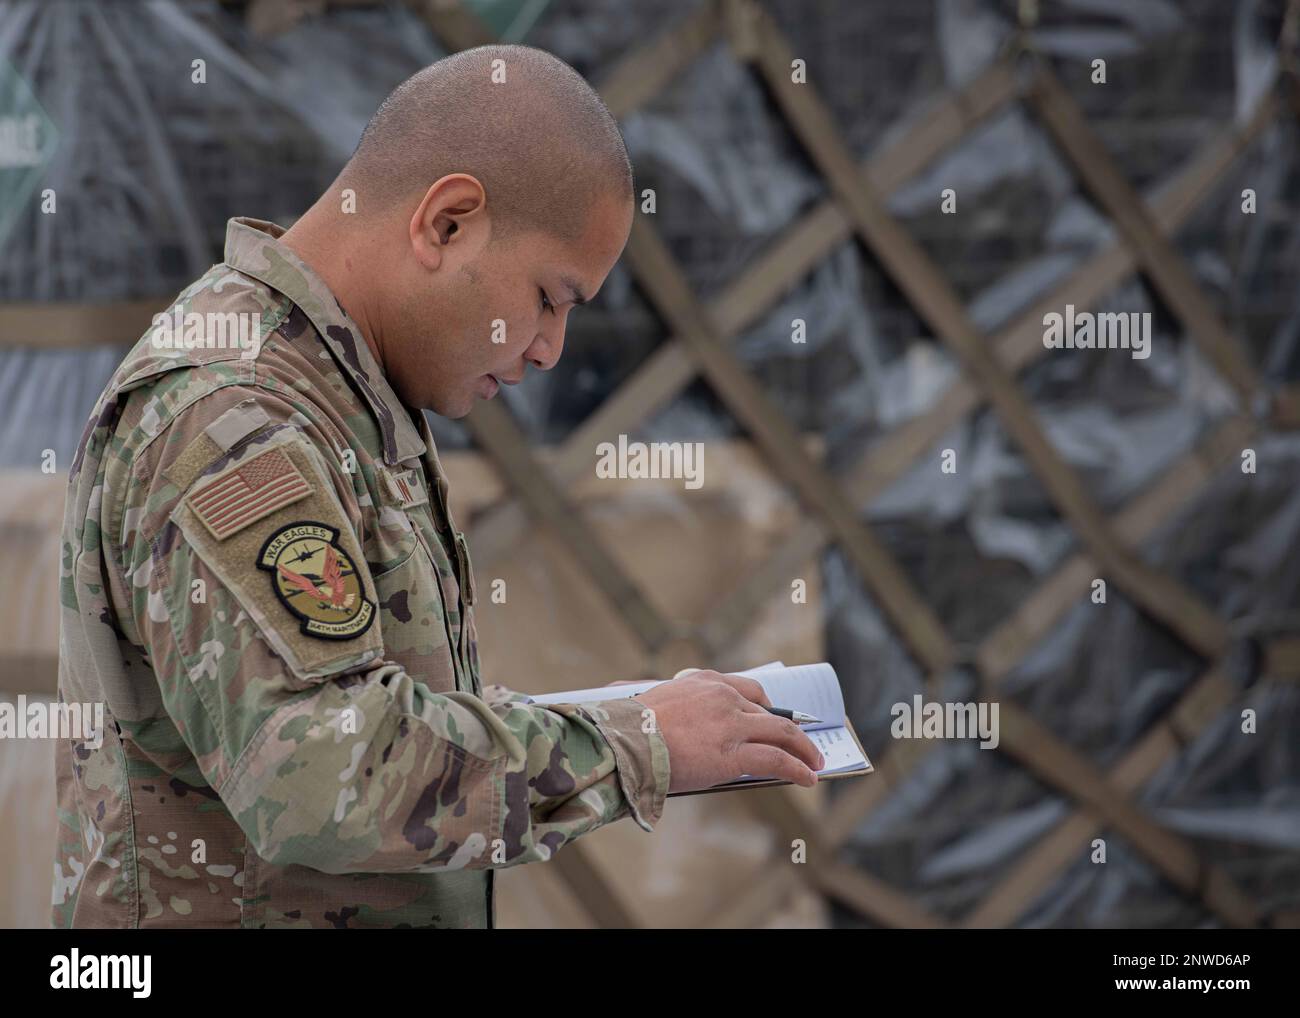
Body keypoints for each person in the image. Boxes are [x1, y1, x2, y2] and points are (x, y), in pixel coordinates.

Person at [52, 43, 822, 929]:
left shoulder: (342, 396)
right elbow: (320, 776)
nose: (548, 348)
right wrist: (639, 746)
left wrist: (636, 716)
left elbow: (378, 704)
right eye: (548, 296)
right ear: (447, 222)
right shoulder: (236, 419)